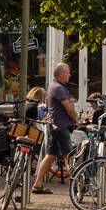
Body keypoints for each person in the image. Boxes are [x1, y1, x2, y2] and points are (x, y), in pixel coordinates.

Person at [31, 63, 76, 193]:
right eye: (67, 72)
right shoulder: (59, 88)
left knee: (50, 155)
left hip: (54, 125)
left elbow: (47, 105)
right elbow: (68, 108)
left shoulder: (52, 86)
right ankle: (77, 185)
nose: (69, 75)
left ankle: (37, 184)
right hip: (61, 127)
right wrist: (75, 119)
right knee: (69, 156)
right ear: (61, 74)